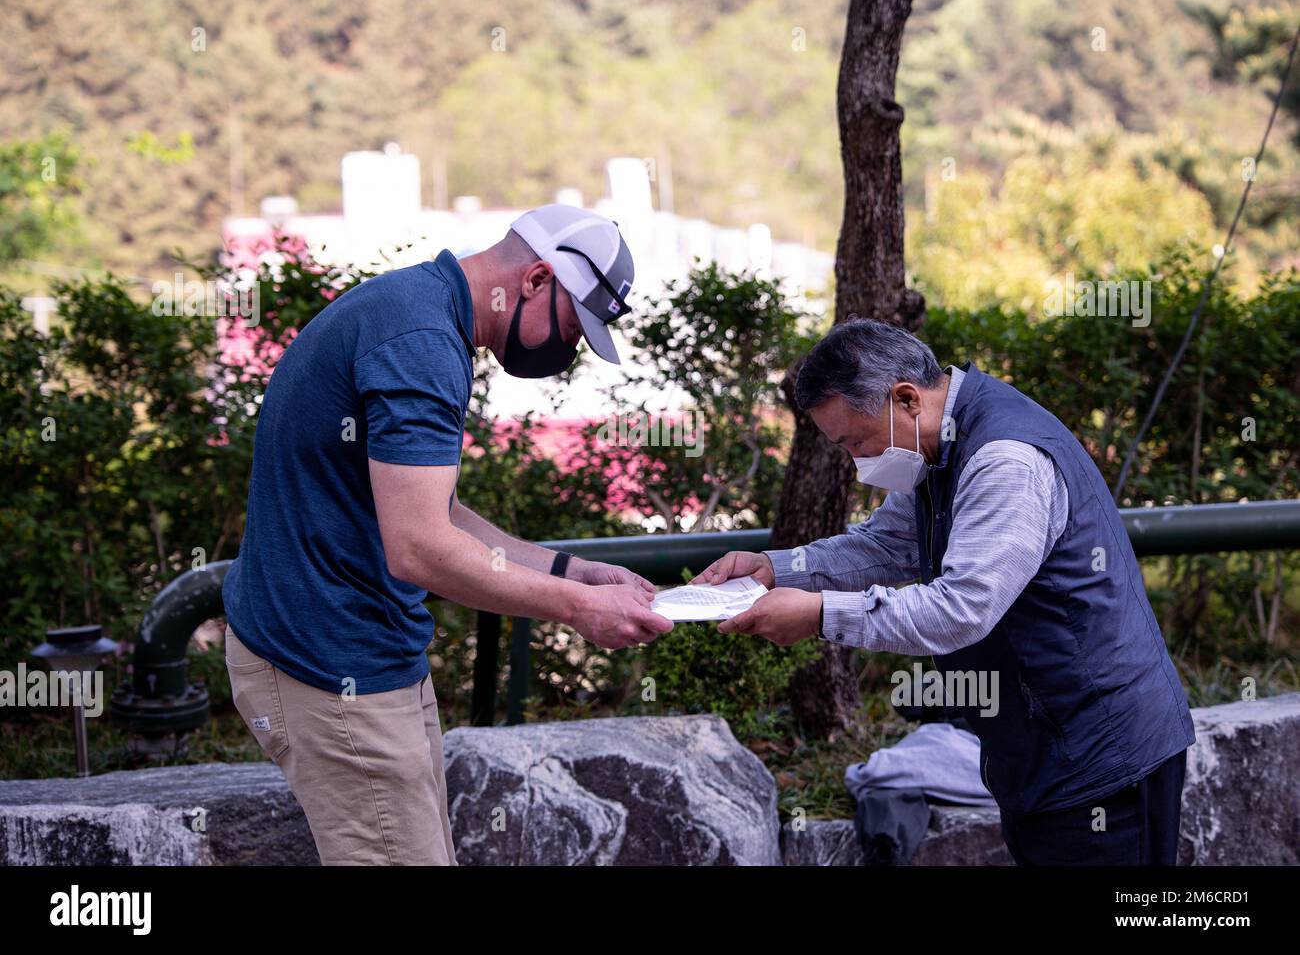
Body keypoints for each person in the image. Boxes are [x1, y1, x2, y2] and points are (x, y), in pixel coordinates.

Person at [222, 204, 672, 865]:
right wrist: (579, 610)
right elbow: (419, 547)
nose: (567, 352)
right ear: (537, 279)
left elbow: (443, 515)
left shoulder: (420, 312)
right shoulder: (421, 342)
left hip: (364, 654)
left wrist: (572, 572)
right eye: (574, 329)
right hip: (331, 663)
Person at [697, 317, 1196, 865]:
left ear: (907, 398)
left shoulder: (1004, 458)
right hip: (1035, 750)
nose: (856, 461)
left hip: (1102, 755)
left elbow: (961, 609)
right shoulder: (936, 448)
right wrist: (776, 567)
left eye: (857, 441)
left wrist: (818, 615)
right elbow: (886, 547)